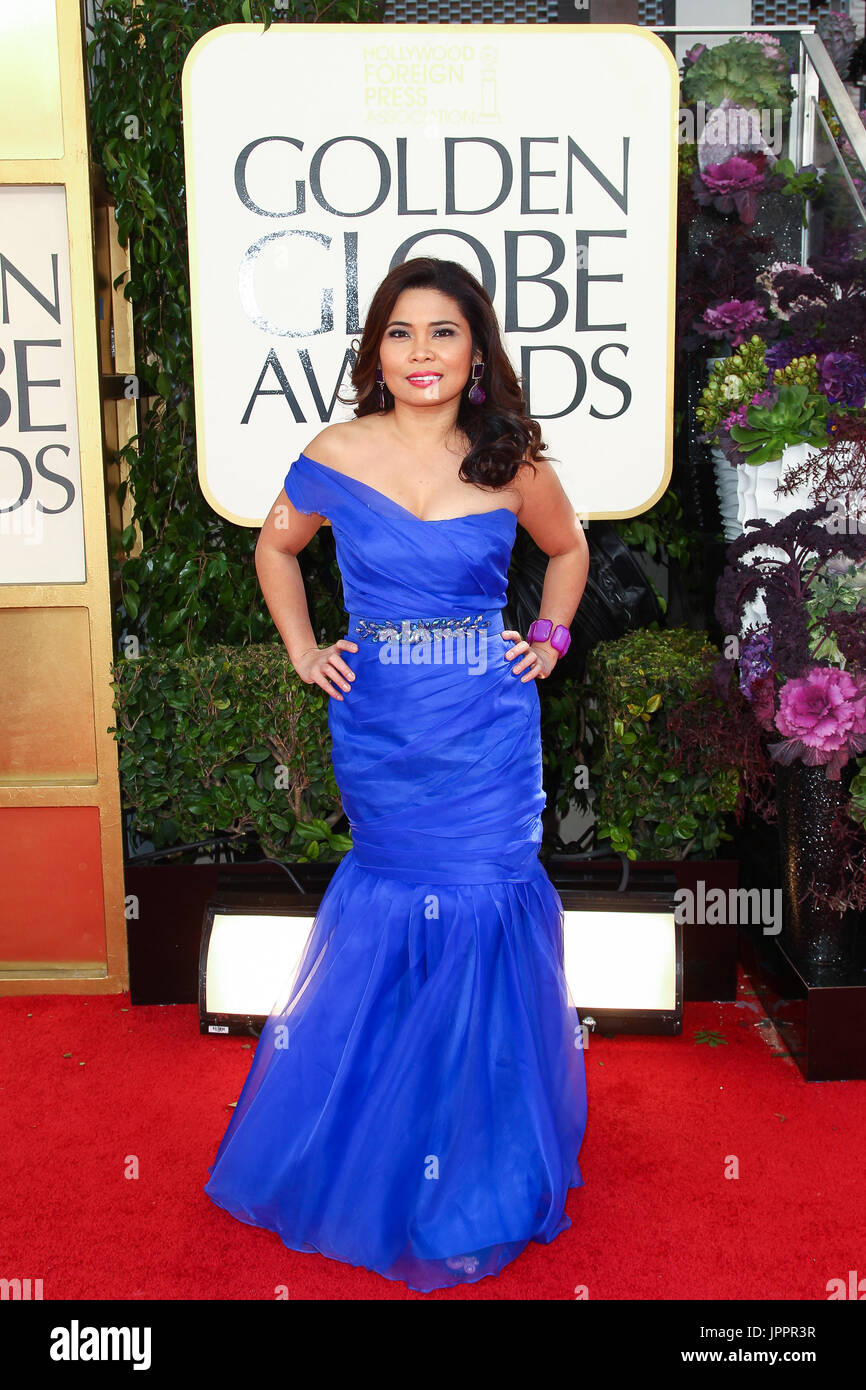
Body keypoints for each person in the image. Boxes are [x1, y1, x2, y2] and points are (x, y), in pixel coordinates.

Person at [204, 256, 590, 1292]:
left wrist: (546, 639)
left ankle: (477, 1144)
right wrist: (301, 649)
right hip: (381, 721)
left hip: (485, 720)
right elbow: (275, 547)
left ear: (476, 352)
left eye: (443, 334)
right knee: (393, 907)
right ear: (375, 351)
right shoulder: (334, 451)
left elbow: (568, 549)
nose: (421, 354)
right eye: (400, 334)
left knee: (480, 906)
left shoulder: (507, 458)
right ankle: (384, 1127)